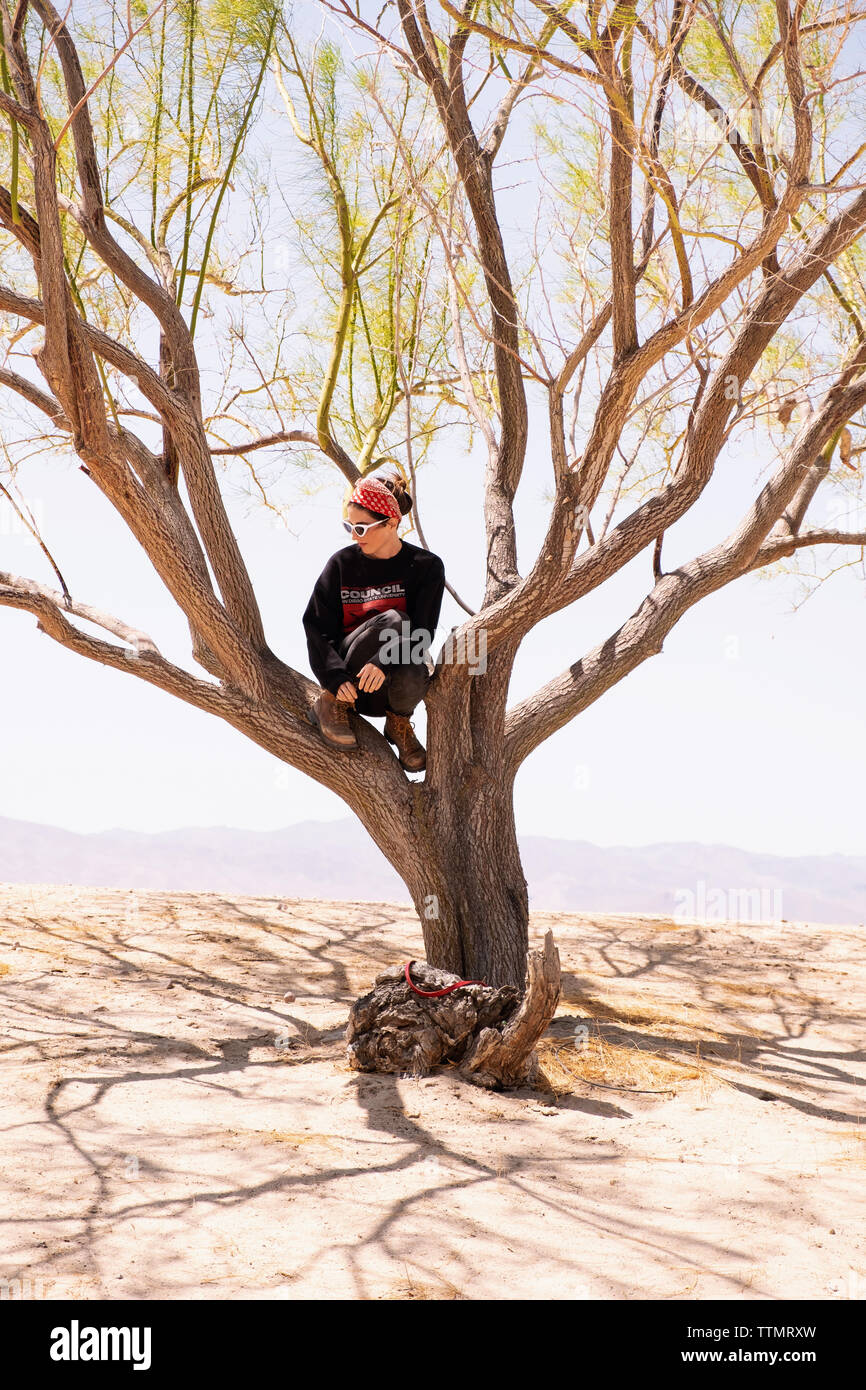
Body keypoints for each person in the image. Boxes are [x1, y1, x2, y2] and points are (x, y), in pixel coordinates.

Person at [302, 466, 446, 772]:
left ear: (391, 522)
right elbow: (315, 626)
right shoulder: (341, 564)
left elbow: (422, 635)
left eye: (363, 528)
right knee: (394, 620)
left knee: (414, 657)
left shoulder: (426, 567)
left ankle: (398, 722)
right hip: (347, 683)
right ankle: (330, 704)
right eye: (349, 526)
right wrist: (333, 678)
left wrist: (384, 660)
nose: (355, 536)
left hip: (388, 687)